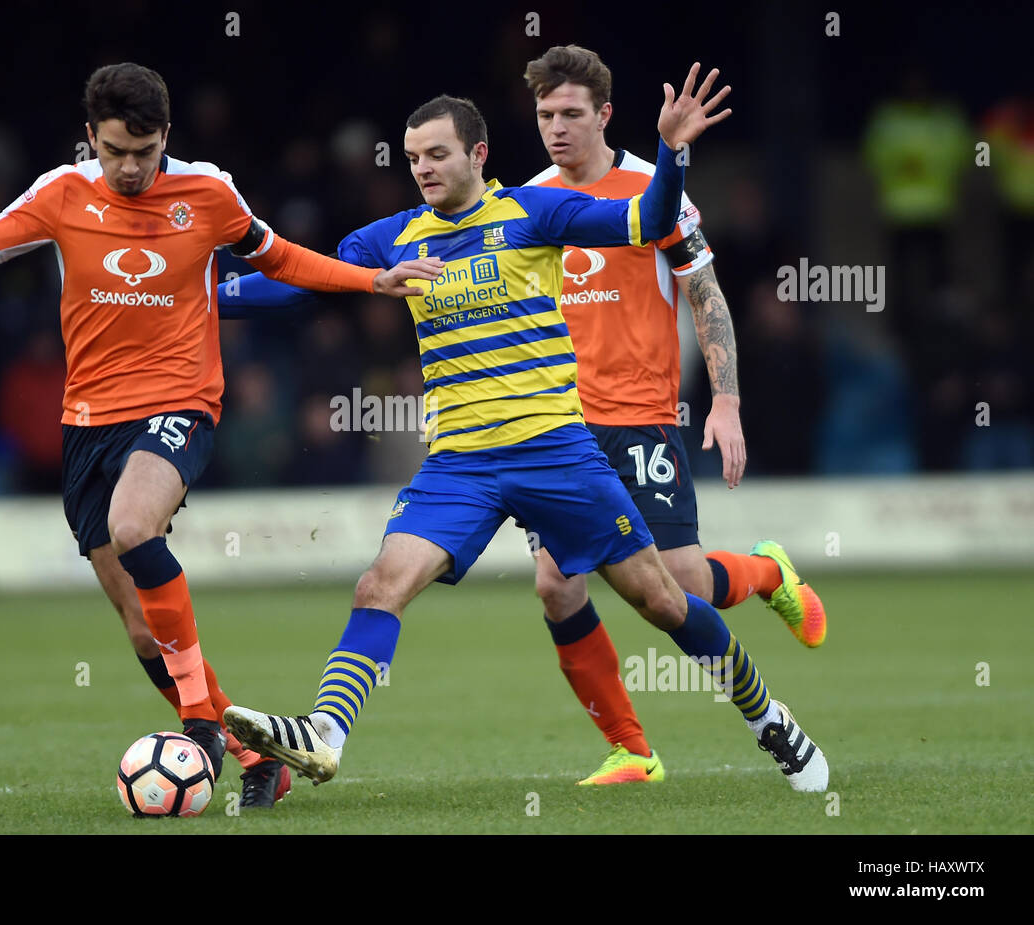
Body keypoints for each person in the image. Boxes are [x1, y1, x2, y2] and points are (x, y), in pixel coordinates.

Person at [219, 65, 830, 793]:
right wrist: (200, 296)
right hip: (462, 464)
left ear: (478, 155)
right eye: (412, 158)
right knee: (379, 584)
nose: (422, 170)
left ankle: (770, 720)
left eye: (437, 155)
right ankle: (325, 733)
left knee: (668, 599)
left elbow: (649, 220)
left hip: (557, 454)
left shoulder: (536, 213)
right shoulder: (393, 238)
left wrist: (671, 153)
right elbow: (296, 284)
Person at [0, 62, 441, 807]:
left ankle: (197, 720)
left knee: (133, 524)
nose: (130, 167)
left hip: (180, 401)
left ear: (166, 139)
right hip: (87, 421)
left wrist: (368, 281)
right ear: (90, 138)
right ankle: (258, 756)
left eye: (144, 152)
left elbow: (277, 255)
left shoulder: (208, 193)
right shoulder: (60, 193)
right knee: (140, 631)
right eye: (116, 150)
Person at [520, 45, 826, 786]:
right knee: (557, 584)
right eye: (544, 114)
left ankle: (764, 571)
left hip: (641, 419)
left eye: (570, 114)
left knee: (681, 590)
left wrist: (726, 401)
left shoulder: (654, 192)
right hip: (562, 428)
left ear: (605, 115)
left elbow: (706, 294)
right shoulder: (527, 200)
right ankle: (632, 748)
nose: (556, 129)